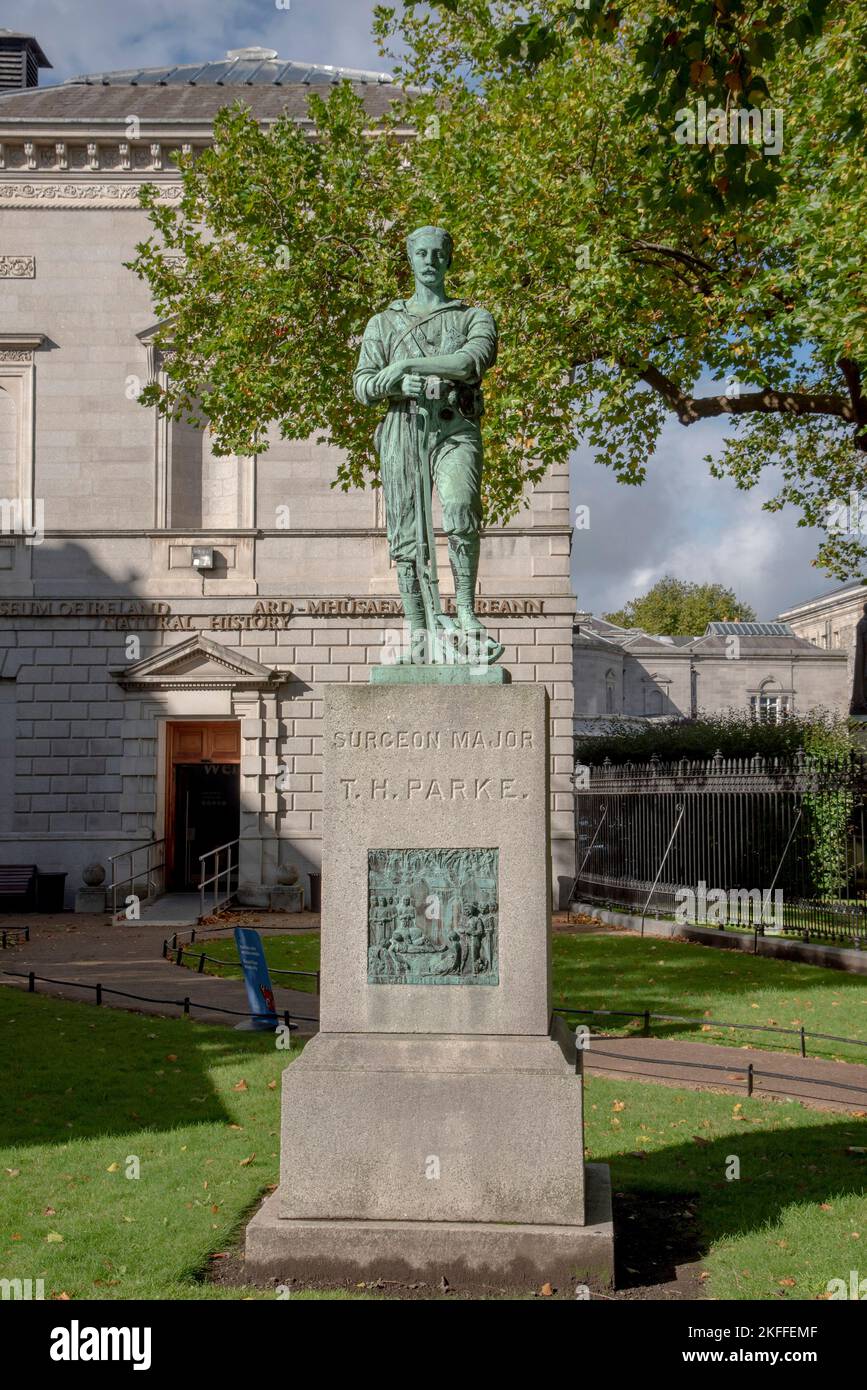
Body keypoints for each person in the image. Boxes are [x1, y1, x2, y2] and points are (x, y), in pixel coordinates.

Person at [353, 226, 500, 657]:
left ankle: (467, 612)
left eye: (438, 253)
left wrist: (406, 364)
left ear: (449, 259)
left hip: (456, 426)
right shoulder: (382, 323)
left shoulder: (474, 316)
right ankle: (419, 634)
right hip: (403, 427)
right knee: (406, 535)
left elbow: (470, 361)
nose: (430, 260)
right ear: (411, 259)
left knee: (459, 509)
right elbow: (363, 386)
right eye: (422, 253)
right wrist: (399, 386)